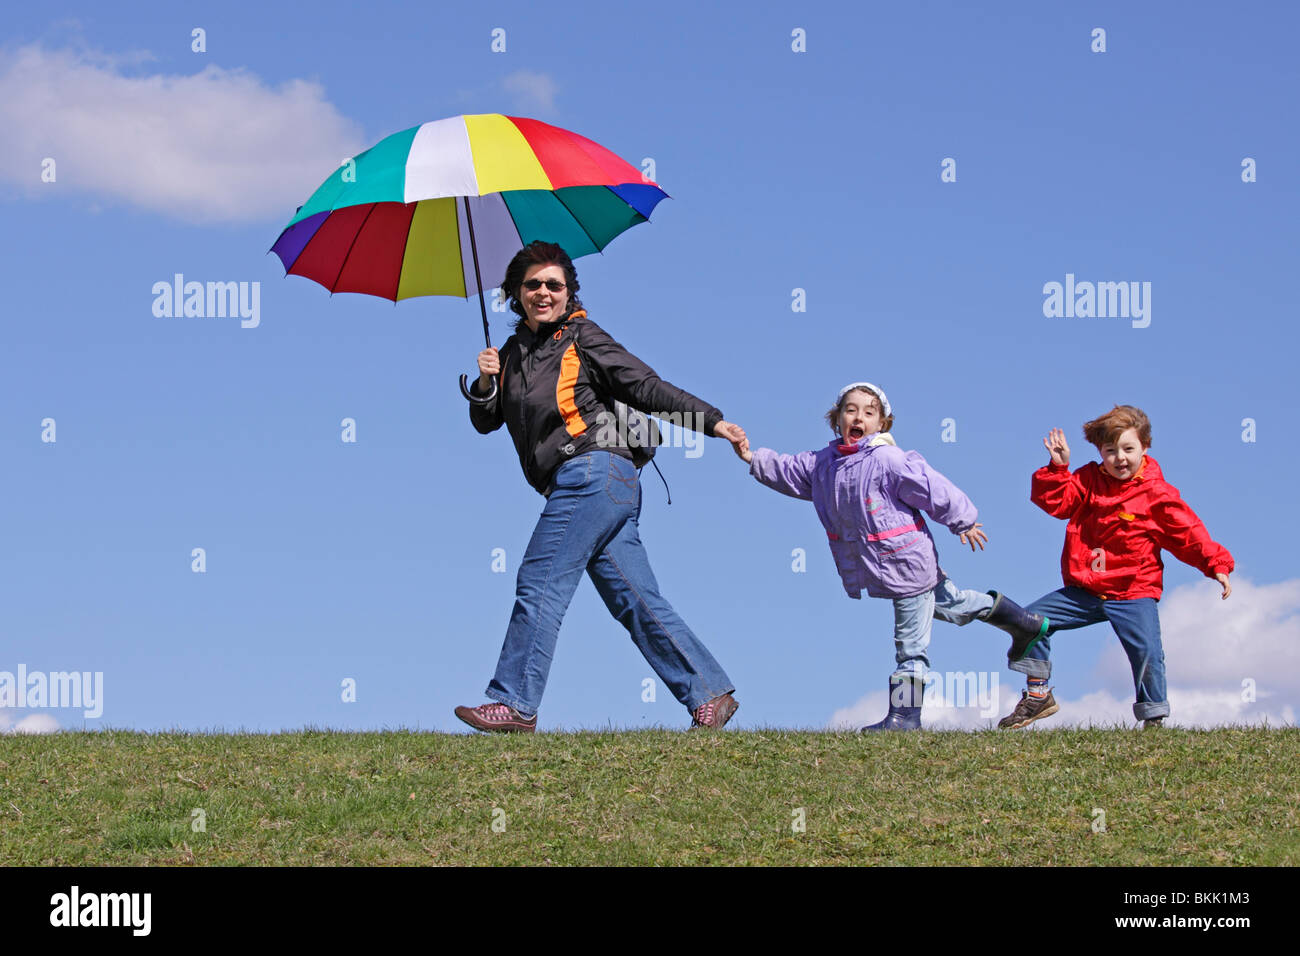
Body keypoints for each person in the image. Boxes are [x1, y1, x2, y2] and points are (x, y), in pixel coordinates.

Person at [454, 241, 745, 733]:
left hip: (592, 470)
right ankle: (708, 693)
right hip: (588, 483)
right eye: (533, 284)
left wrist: (712, 423)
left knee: (540, 578)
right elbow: (487, 422)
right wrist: (486, 384)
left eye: (554, 285)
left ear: (569, 292)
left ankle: (515, 702)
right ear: (515, 293)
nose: (543, 292)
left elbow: (645, 387)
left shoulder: (582, 337)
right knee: (634, 596)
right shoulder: (510, 353)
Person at [732, 383, 1048, 731]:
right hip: (889, 564)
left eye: (869, 412)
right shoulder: (823, 465)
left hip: (907, 564)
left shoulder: (887, 460)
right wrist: (751, 456)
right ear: (836, 419)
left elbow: (931, 487)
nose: (859, 417)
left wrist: (963, 520)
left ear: (882, 424)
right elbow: (790, 470)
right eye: (850, 410)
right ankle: (1023, 622)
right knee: (954, 606)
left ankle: (905, 717)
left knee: (910, 644)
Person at [999, 405, 1234, 729]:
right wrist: (1058, 468)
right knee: (1029, 622)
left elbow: (1187, 533)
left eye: (1128, 449)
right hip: (1087, 590)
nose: (1120, 458)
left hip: (1132, 591)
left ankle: (1153, 719)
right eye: (1111, 451)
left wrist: (1215, 563)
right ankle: (1038, 697)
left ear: (1145, 448)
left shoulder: (1156, 494)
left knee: (1147, 652)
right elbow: (1056, 503)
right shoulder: (1088, 480)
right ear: (1100, 451)